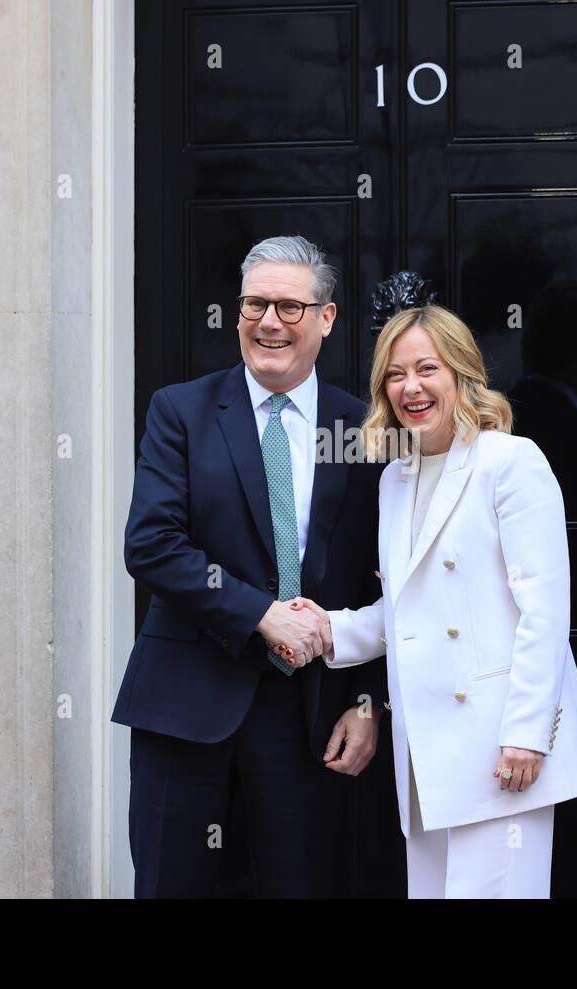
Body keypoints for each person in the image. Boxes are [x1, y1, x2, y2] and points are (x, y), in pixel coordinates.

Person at [282, 303, 577, 898]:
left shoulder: (510, 462)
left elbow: (545, 610)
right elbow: (409, 610)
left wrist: (529, 734)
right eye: (396, 374)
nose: (412, 387)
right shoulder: (395, 479)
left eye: (427, 368)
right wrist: (330, 629)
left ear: (460, 372)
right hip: (425, 754)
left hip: (500, 746)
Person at [112, 235, 386, 897]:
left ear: (326, 318)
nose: (269, 322)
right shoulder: (181, 410)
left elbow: (381, 579)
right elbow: (150, 543)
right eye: (254, 305)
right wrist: (260, 613)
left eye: (289, 308)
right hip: (184, 710)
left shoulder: (364, 429)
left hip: (308, 719)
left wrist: (367, 700)